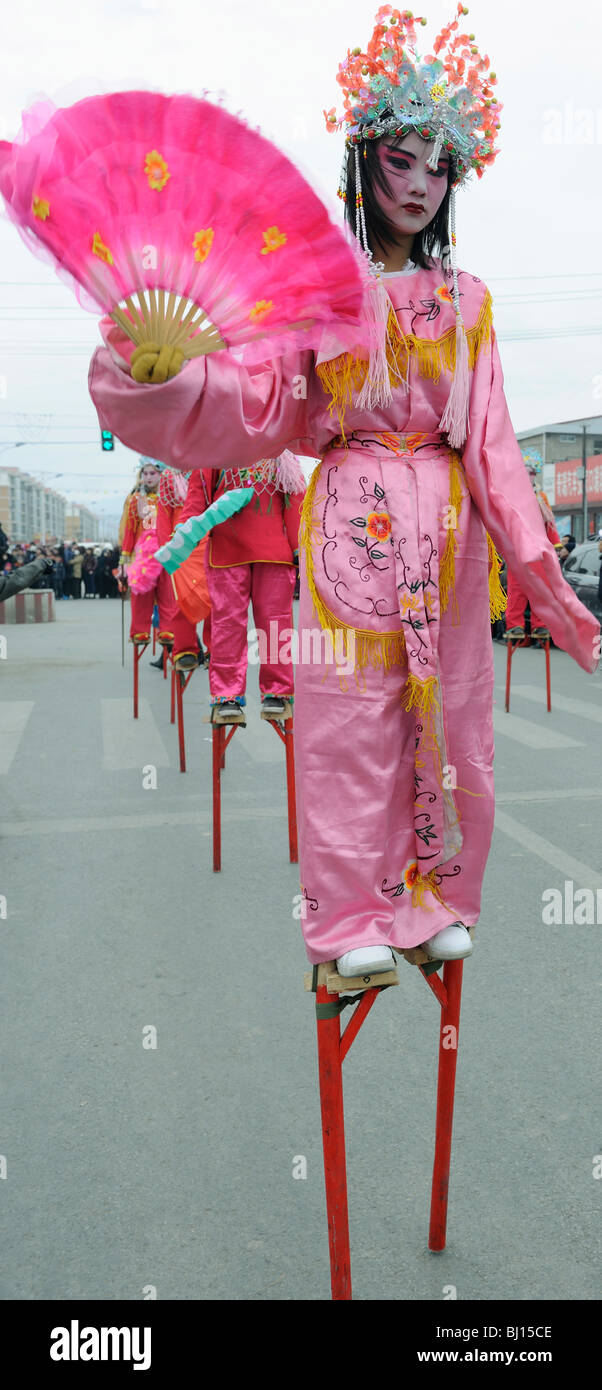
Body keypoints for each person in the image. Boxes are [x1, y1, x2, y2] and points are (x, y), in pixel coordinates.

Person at [90, 5, 599, 978]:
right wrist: (168, 374)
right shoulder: (318, 291)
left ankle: (438, 893)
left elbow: (492, 452)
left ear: (455, 178)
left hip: (446, 528)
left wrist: (550, 593)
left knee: (451, 714)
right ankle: (351, 917)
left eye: (436, 165)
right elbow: (257, 404)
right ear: (363, 164)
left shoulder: (470, 304)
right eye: (398, 161)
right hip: (349, 516)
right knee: (347, 719)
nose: (417, 184)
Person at [177, 453, 304, 724]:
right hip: (226, 554)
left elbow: (295, 504)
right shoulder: (213, 451)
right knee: (227, 625)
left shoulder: (282, 454)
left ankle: (277, 692)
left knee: (275, 625)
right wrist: (183, 533)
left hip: (275, 555)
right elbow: (196, 501)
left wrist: (299, 549)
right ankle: (227, 695)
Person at [504, 451, 564, 642]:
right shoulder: (511, 496)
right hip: (518, 549)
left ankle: (540, 626)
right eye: (526, 472)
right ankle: (515, 625)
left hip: (538, 550)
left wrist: (557, 544)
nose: (530, 476)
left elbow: (549, 523)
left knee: (541, 588)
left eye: (532, 472)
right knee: (517, 588)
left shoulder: (541, 498)